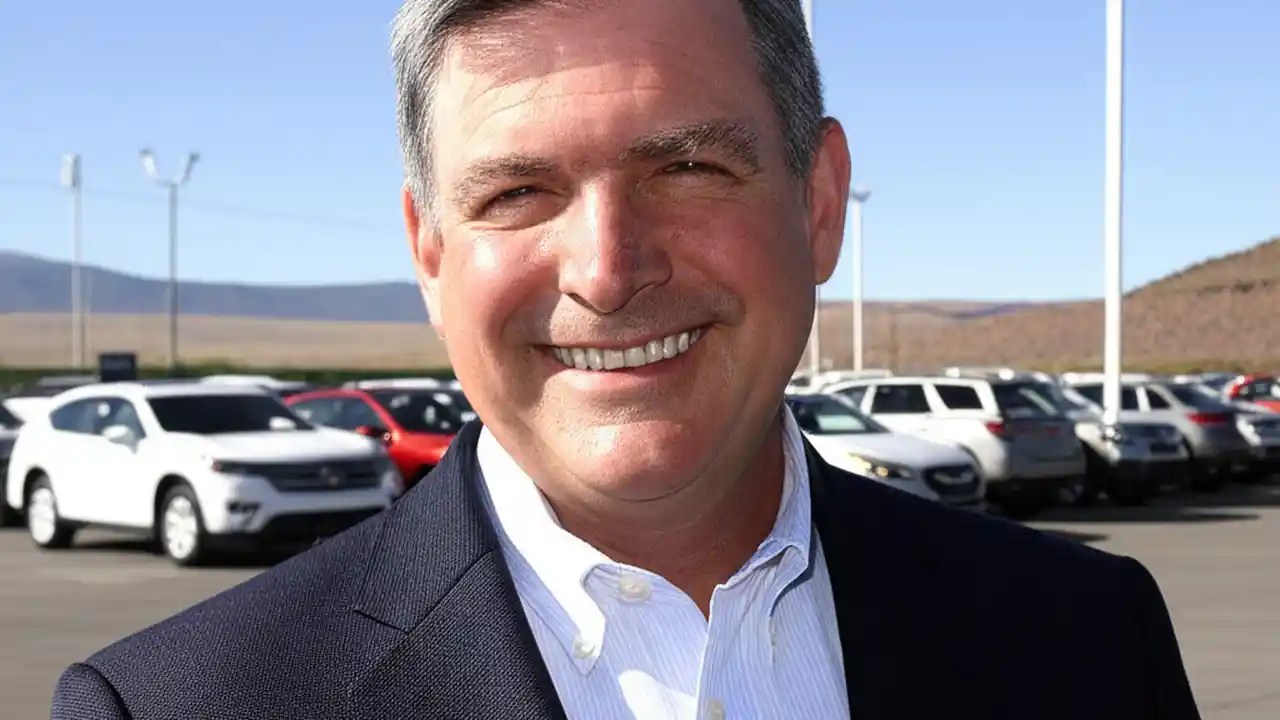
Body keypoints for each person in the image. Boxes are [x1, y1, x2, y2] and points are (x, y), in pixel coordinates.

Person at [51, 0, 1201, 718]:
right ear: (429, 251)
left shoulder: (1084, 641)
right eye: (516, 192)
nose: (605, 269)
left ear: (816, 204)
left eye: (688, 169)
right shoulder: (182, 706)